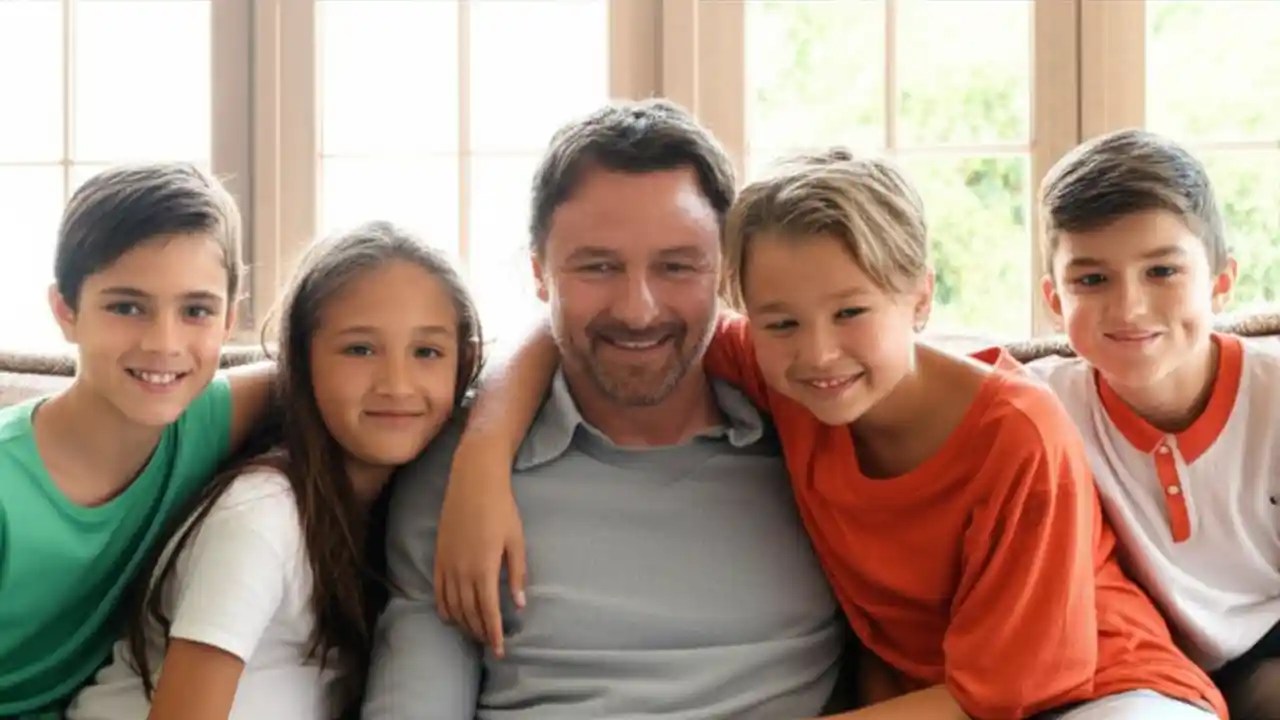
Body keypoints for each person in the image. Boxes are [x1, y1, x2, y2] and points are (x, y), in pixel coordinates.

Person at [434, 150, 1229, 719]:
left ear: (919, 299)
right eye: (781, 321)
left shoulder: (1016, 436)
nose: (818, 353)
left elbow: (1008, 691)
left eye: (852, 313)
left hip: (1110, 691)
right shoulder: (785, 376)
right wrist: (480, 463)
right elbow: (591, 327)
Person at [362, 99, 852, 720]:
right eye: (597, 267)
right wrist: (484, 452)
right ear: (540, 274)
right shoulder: (456, 474)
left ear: (725, 272)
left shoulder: (819, 428)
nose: (638, 310)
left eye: (676, 266)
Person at [64, 221, 485, 720]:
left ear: (466, 362)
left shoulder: (407, 511)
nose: (397, 384)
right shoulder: (262, 516)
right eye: (360, 349)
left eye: (427, 352)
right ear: (302, 362)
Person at [0, 163, 272, 718]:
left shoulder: (209, 418)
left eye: (196, 310)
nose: (164, 344)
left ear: (229, 321)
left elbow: (350, 371)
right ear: (65, 311)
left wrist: (480, 472)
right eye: (126, 307)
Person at [1029, 128, 1280, 718]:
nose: (1129, 309)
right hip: (1137, 669)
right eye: (1091, 280)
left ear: (1221, 284)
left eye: (1162, 272)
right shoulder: (1035, 409)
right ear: (1054, 300)